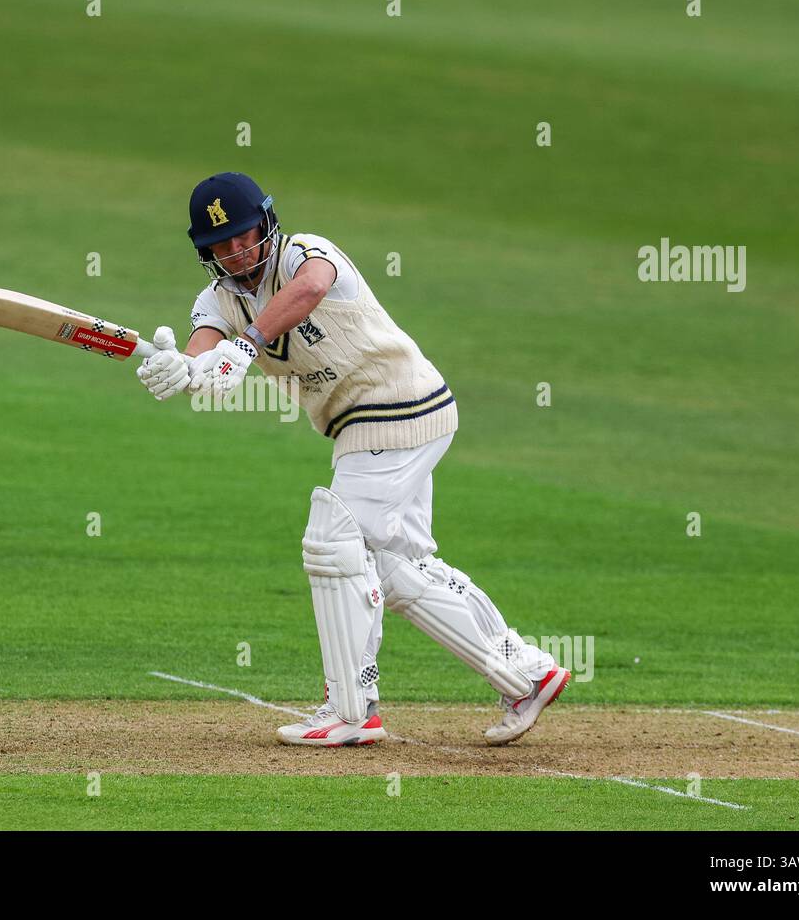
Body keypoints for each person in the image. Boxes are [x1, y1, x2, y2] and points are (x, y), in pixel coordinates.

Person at [136, 172, 570, 746]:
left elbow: (311, 289)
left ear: (266, 225)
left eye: (245, 235)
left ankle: (350, 708)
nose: (237, 251)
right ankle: (527, 672)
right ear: (205, 252)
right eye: (221, 244)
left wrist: (245, 346)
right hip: (373, 423)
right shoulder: (216, 300)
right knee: (395, 567)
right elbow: (203, 350)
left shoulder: (304, 254)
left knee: (333, 540)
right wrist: (182, 370)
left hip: (395, 406)